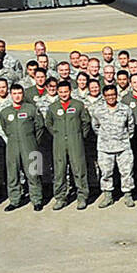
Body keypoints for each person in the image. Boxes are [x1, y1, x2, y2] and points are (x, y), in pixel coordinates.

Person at [47, 80, 92, 210]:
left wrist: (79, 136)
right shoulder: (53, 107)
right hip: (59, 142)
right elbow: (48, 124)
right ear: (57, 92)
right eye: (61, 92)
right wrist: (57, 135)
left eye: (66, 91)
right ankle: (60, 198)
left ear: (70, 91)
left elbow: (86, 122)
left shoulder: (78, 105)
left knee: (79, 169)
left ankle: (82, 196)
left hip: (75, 141)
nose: (63, 94)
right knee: (59, 171)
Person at [0, 84, 46, 211]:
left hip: (30, 144)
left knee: (34, 172)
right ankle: (14, 200)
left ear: (23, 94)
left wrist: (33, 141)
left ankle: (37, 199)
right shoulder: (5, 112)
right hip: (12, 145)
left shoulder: (31, 109)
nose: (17, 96)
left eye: (19, 93)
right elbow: (5, 128)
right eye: (14, 93)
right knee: (13, 173)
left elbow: (40, 126)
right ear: (11, 95)